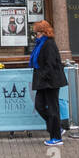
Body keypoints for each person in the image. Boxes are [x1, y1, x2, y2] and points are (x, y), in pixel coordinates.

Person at [29, 19, 67, 147]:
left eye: (37, 33)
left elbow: (50, 64)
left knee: (52, 109)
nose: (36, 35)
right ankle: (57, 127)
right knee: (39, 106)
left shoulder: (49, 44)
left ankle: (56, 137)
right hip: (43, 81)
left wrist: (42, 76)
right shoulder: (41, 44)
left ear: (44, 32)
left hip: (51, 81)